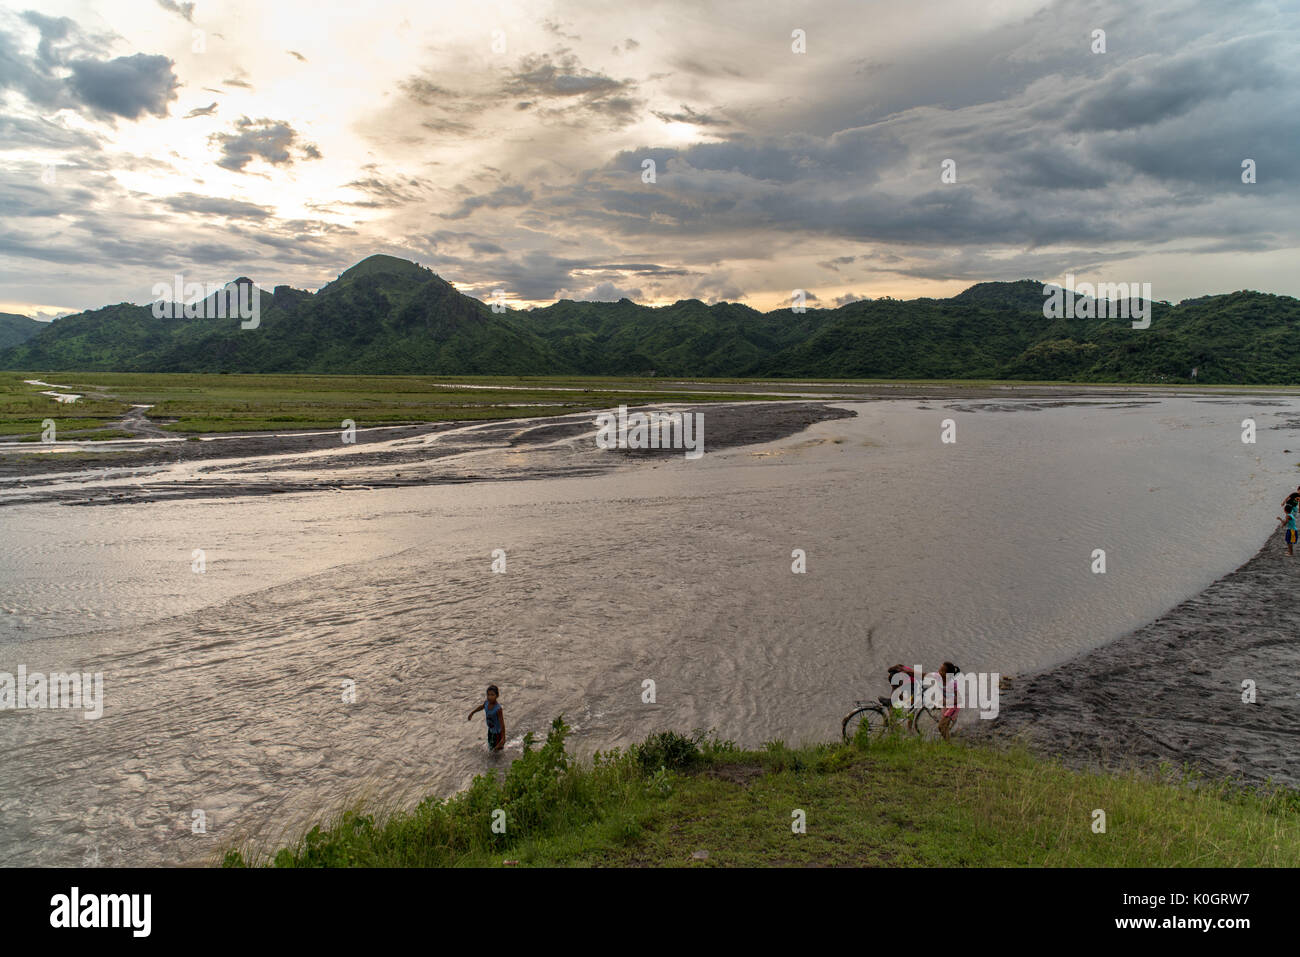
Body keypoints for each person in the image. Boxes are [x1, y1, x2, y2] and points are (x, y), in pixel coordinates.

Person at [467, 684, 506, 752]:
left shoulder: (498, 709)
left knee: (497, 751)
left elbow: (502, 724)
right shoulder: (487, 703)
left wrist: (503, 738)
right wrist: (472, 712)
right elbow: (482, 707)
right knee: (490, 748)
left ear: (497, 696)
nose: (489, 697)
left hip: (497, 733)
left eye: (492, 695)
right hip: (490, 730)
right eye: (488, 695)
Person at [937, 661, 961, 741]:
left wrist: (946, 702)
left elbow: (958, 699)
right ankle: (947, 740)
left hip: (953, 706)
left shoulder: (952, 683)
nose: (939, 672)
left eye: (942, 671)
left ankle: (948, 745)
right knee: (945, 727)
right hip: (946, 704)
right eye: (939, 669)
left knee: (941, 727)